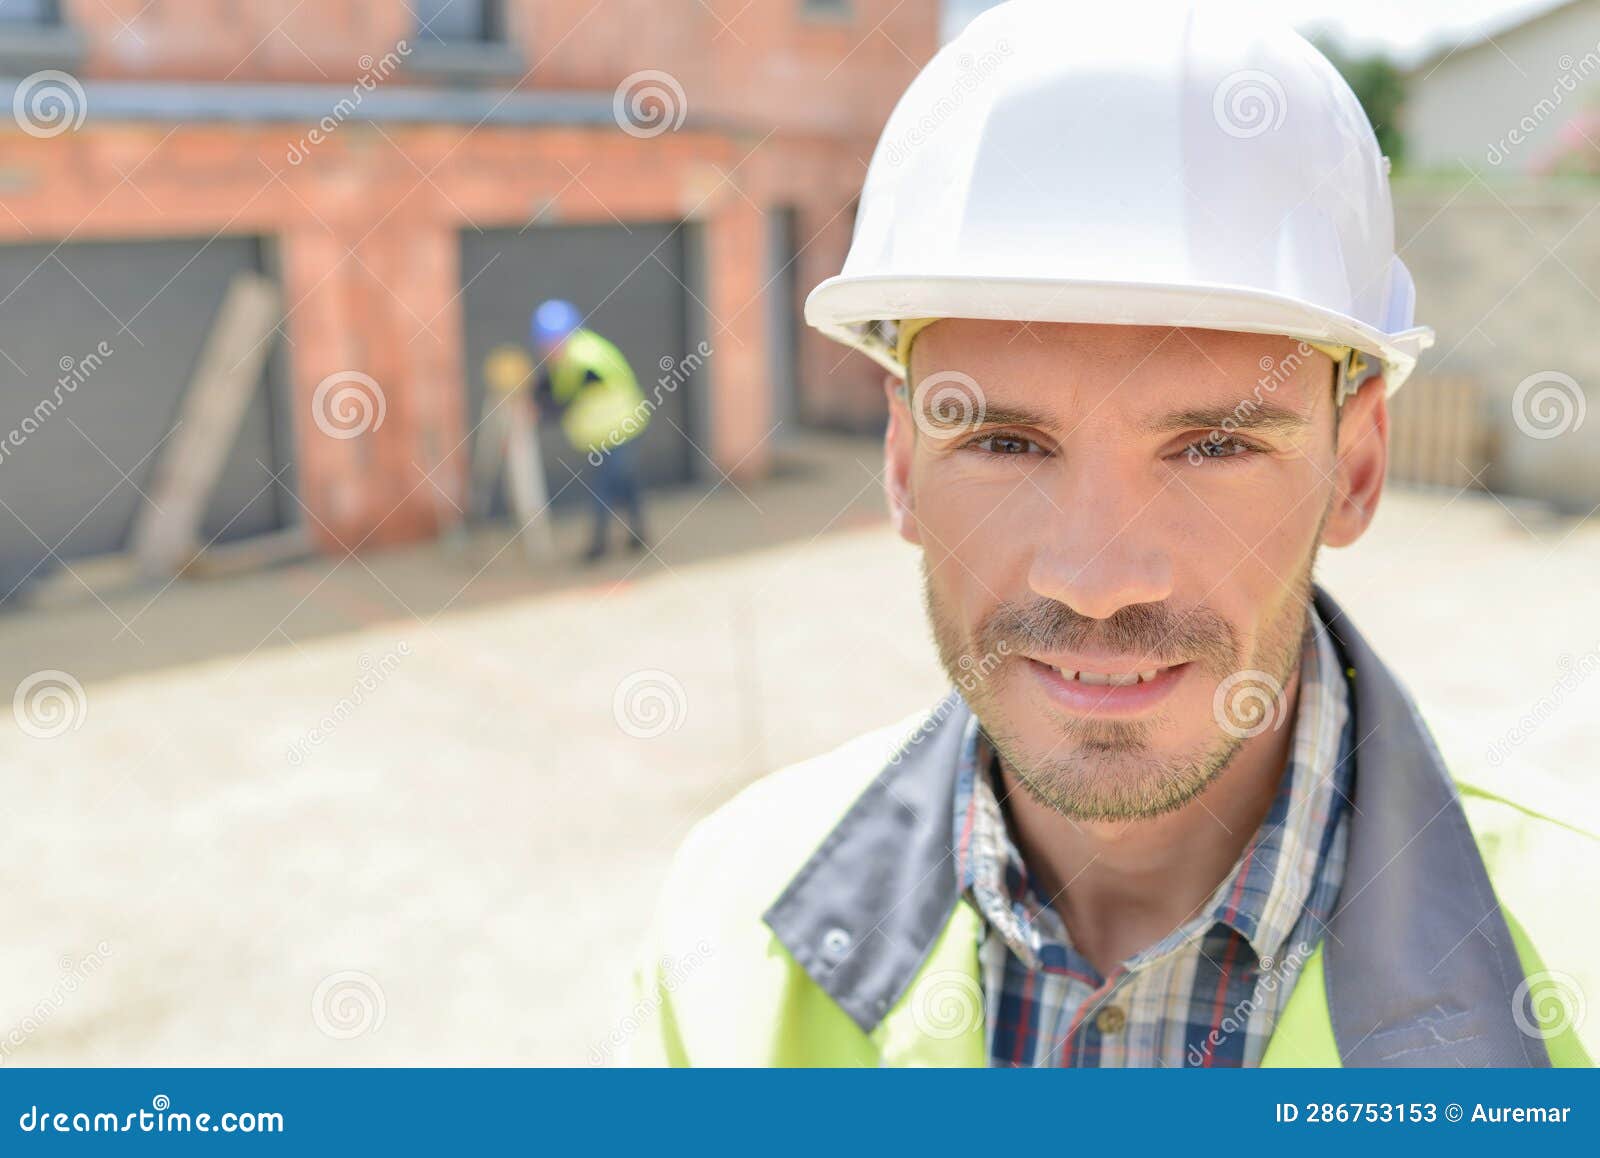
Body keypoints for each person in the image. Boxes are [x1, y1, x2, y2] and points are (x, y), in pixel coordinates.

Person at [618, 0, 1598, 1067]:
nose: (1095, 581)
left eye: (1213, 449)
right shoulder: (725, 926)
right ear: (903, 467)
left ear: (1354, 469)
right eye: (1002, 442)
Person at [529, 299, 651, 562]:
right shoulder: (570, 356)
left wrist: (538, 407)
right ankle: (639, 533)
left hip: (621, 428)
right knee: (624, 482)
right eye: (544, 344)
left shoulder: (583, 358)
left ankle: (598, 544)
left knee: (605, 486)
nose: (547, 350)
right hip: (604, 433)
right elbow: (551, 385)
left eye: (551, 342)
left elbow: (564, 398)